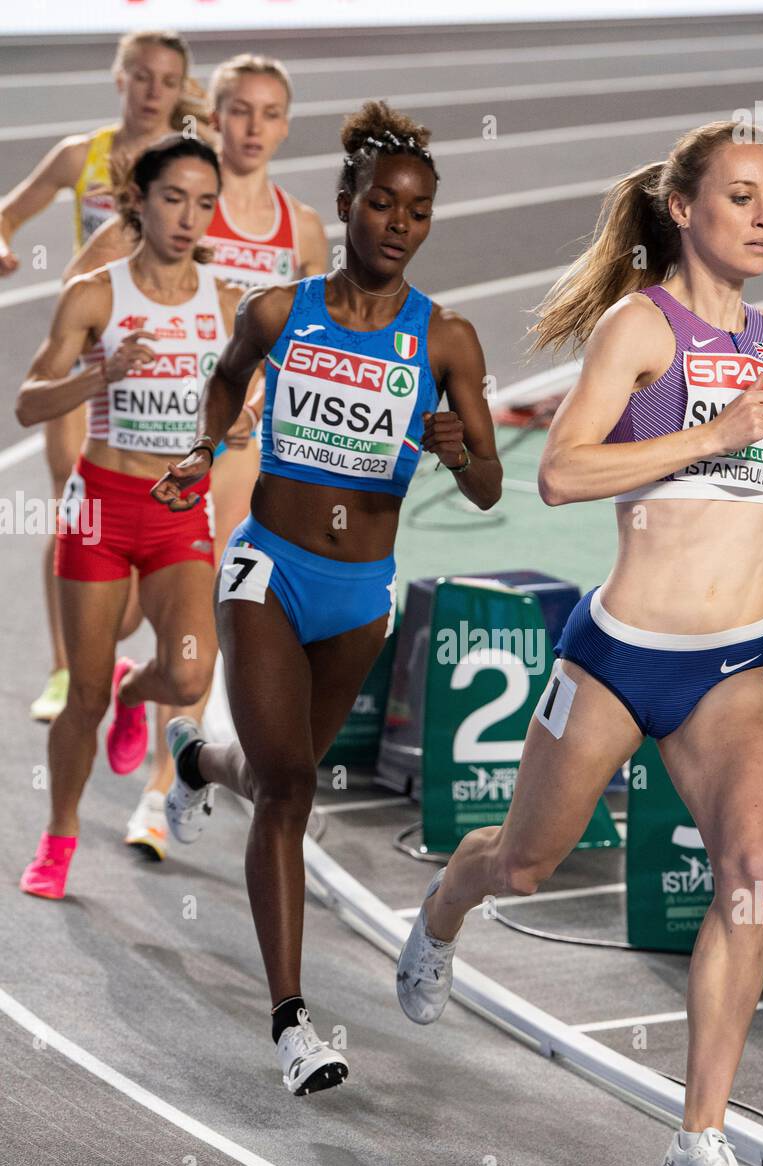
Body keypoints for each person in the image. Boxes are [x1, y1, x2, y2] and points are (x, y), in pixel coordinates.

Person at [394, 120, 763, 1166]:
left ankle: (700, 1136)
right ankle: (441, 909)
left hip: (730, 660)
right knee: (524, 862)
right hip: (622, 651)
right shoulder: (638, 327)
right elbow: (564, 473)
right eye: (740, 198)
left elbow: (762, 444)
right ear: (683, 209)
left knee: (752, 867)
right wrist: (705, 432)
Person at [150, 100, 502, 1097]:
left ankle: (193, 760)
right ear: (345, 203)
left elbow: (488, 487)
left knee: (274, 774)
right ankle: (292, 1022)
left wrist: (458, 449)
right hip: (269, 567)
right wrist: (205, 446)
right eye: (382, 203)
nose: (398, 223)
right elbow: (224, 386)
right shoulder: (278, 312)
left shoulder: (447, 341)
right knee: (294, 790)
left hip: (359, 596)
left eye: (418, 211)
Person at [66, 53, 329, 859]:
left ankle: (156, 785)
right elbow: (87, 300)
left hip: (243, 451)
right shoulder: (179, 201)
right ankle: (132, 706)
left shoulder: (301, 230)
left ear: (285, 125)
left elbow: (317, 343)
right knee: (148, 615)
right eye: (237, 111)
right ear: (212, 118)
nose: (252, 127)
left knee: (206, 615)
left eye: (269, 113)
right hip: (147, 447)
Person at [17, 135, 243, 901]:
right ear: (136, 203)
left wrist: (232, 432)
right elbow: (25, 402)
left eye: (204, 202)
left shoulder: (228, 305)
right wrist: (100, 377)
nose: (188, 217)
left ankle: (133, 692)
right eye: (173, 198)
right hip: (101, 510)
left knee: (187, 670)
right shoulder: (94, 293)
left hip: (177, 513)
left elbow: (250, 410)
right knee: (79, 694)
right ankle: (60, 837)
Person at [0, 30, 205, 723]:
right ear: (120, 80)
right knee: (72, 507)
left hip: (165, 361)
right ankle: (65, 670)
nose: (153, 91)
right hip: (91, 346)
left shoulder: (187, 169)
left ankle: (135, 664)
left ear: (181, 88)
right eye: (141, 76)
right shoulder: (78, 156)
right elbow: (7, 214)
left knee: (165, 510)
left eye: (167, 80)